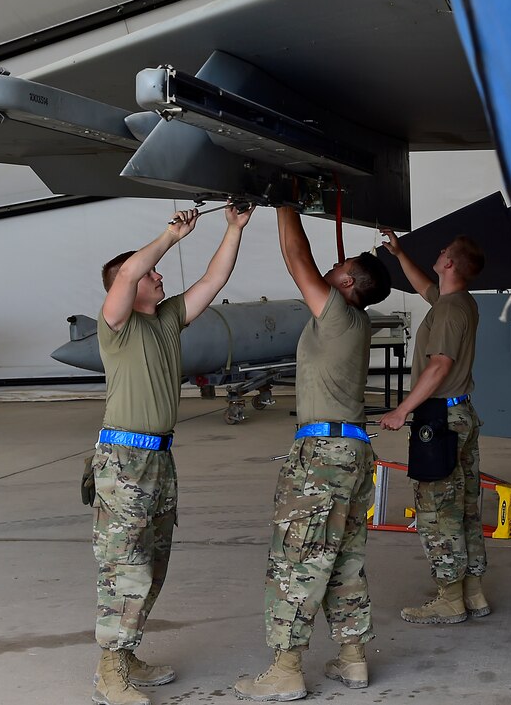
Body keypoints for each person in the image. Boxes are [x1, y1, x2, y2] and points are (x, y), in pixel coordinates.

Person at [90, 203, 252, 705]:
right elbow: (134, 269)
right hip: (123, 461)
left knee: (154, 564)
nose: (157, 277)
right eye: (149, 273)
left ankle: (127, 651)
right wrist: (171, 236)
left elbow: (214, 280)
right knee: (126, 566)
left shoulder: (165, 320)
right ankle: (109, 670)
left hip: (159, 460)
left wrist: (233, 229)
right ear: (127, 284)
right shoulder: (115, 322)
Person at [235, 207, 391, 701]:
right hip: (353, 450)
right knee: (344, 558)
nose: (328, 268)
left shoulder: (338, 314)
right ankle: (352, 659)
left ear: (346, 281)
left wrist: (285, 202)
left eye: (337, 265)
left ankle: (285, 669)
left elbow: (294, 256)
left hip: (322, 453)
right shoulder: (356, 322)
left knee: (297, 556)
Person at [378, 230, 488, 624]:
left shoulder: (447, 311)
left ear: (450, 263)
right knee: (464, 507)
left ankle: (449, 598)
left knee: (438, 512)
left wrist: (403, 409)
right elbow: (424, 287)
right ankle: (472, 592)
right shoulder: (458, 302)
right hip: (461, 415)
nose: (438, 254)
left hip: (439, 418)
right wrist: (398, 253)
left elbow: (438, 365)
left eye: (442, 251)